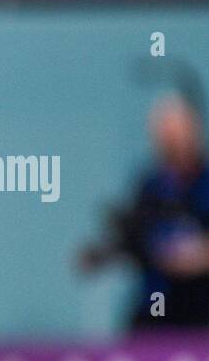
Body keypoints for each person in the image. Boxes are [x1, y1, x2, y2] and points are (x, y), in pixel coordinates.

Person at [79, 94, 209, 330]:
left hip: (200, 312)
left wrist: (199, 255)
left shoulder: (204, 183)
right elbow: (136, 236)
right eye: (164, 134)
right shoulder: (150, 185)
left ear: (194, 132)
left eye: (177, 133)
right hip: (157, 308)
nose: (172, 141)